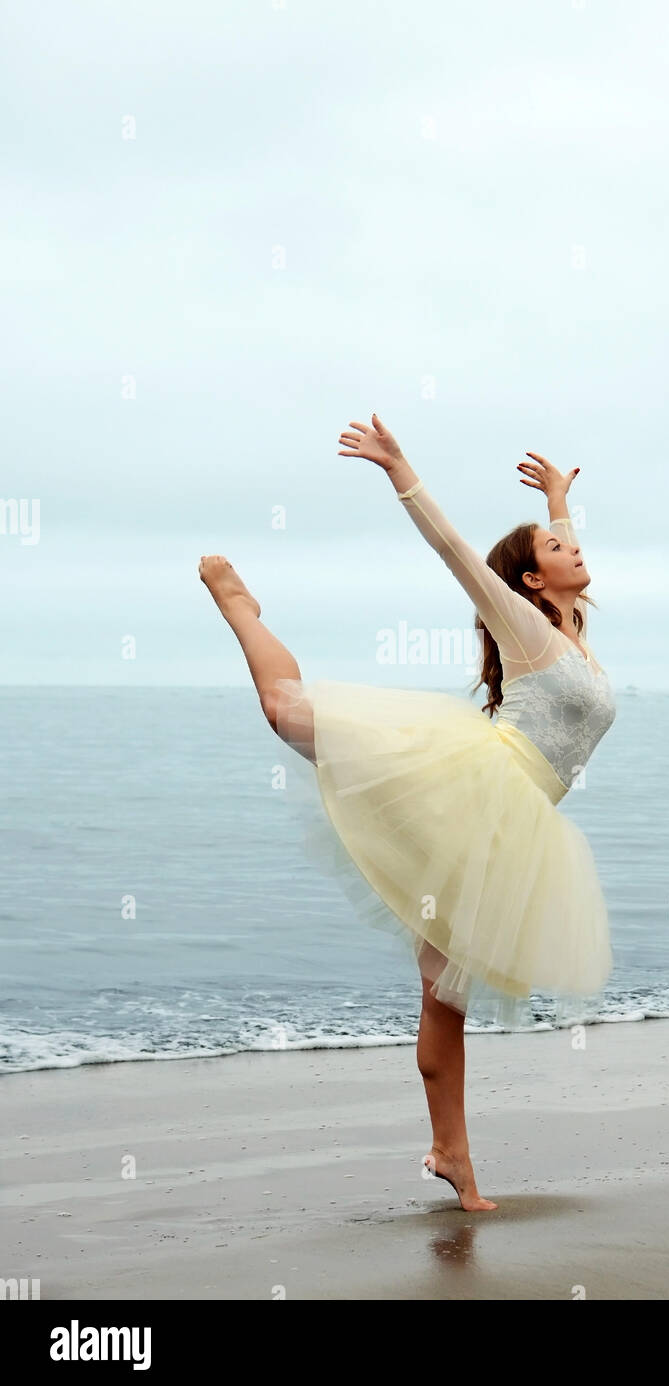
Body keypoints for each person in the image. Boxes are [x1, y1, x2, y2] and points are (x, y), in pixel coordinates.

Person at [199, 413, 616, 1211]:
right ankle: (244, 611)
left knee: (445, 994)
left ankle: (451, 1154)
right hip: (468, 783)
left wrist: (559, 502)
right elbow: (456, 549)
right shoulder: (526, 628)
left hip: (512, 831)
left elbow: (565, 567)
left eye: (571, 545)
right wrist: (400, 469)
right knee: (287, 707)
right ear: (529, 582)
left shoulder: (570, 629)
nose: (575, 550)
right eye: (559, 548)